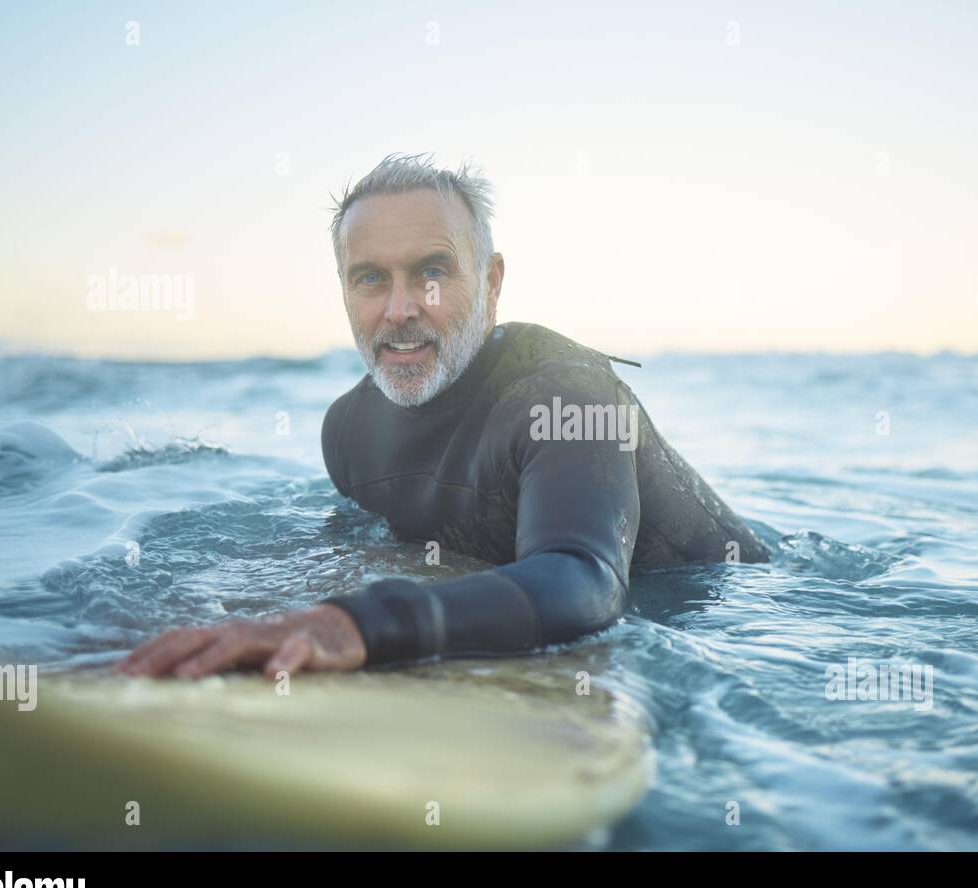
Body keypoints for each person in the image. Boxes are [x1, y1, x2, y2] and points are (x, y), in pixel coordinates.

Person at [116, 153, 770, 679]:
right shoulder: (346, 432)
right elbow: (359, 550)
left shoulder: (570, 401)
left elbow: (584, 584)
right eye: (370, 278)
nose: (399, 308)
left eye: (431, 271)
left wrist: (358, 624)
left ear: (490, 282)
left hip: (743, 628)